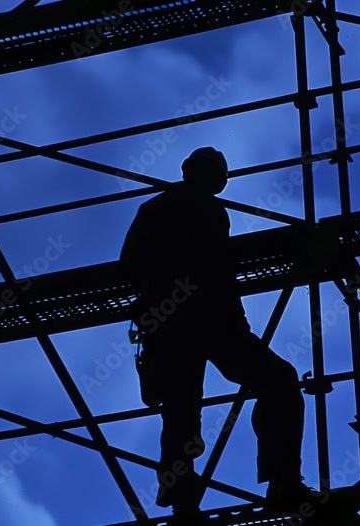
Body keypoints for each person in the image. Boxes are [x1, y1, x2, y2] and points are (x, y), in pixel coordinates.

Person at [119, 147, 311, 517]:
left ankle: (181, 498)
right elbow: (218, 275)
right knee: (278, 382)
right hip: (211, 322)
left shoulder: (155, 209)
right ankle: (282, 479)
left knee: (182, 412)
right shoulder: (208, 211)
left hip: (173, 324)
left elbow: (130, 265)